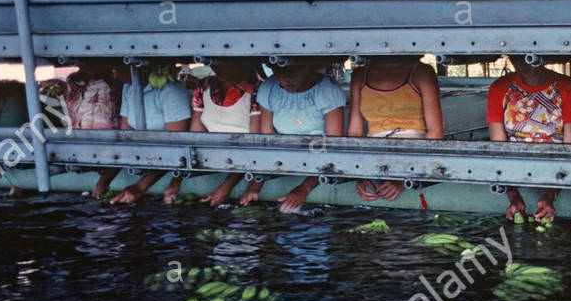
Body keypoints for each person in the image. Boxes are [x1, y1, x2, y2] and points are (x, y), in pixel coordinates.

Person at [239, 59, 346, 211]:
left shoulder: (326, 90)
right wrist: (255, 185)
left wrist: (304, 188)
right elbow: (268, 142)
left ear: (308, 67)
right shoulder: (269, 88)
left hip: (320, 162)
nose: (283, 80)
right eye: (277, 73)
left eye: (291, 73)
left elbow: (333, 147)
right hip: (283, 160)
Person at [487, 55, 571, 222]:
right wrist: (513, 196)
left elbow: (569, 150)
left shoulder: (567, 88)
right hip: (513, 171)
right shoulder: (500, 88)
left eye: (528, 57)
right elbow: (499, 150)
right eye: (516, 57)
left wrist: (551, 193)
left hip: (557, 169)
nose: (521, 62)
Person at [167, 61, 264, 206]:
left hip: (244, 164)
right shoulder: (203, 87)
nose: (221, 69)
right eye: (217, 64)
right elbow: (195, 138)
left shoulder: (256, 90)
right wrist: (176, 180)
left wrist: (227, 186)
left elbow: (254, 146)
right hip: (212, 161)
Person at [350, 56, 444, 205]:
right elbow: (355, 133)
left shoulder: (421, 72)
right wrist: (361, 174)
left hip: (414, 155)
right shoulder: (359, 75)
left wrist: (406, 177)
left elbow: (435, 133)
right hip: (373, 158)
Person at [97, 63, 193, 203]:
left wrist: (140, 186)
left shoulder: (171, 90)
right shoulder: (128, 88)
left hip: (167, 159)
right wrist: (104, 181)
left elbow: (176, 146)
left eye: (122, 67)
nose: (115, 70)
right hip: (149, 157)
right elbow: (126, 138)